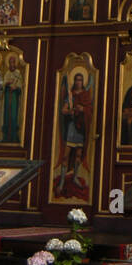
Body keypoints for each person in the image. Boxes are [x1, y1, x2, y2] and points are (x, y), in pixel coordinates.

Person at [56, 70, 92, 199]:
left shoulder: (85, 95)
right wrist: (70, 111)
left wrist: (83, 109)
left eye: (80, 80)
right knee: (66, 155)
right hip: (72, 127)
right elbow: (63, 110)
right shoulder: (70, 96)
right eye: (76, 80)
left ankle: (75, 176)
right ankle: (61, 182)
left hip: (81, 127)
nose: (78, 82)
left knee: (78, 154)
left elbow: (90, 109)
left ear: (83, 82)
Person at [1, 54, 24, 143]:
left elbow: (21, 85)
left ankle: (14, 136)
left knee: (14, 115)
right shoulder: (7, 73)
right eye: (10, 62)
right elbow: (3, 84)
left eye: (13, 62)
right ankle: (6, 137)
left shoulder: (17, 73)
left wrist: (16, 87)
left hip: (14, 96)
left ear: (15, 63)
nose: (12, 64)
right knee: (6, 115)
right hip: (7, 96)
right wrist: (7, 83)